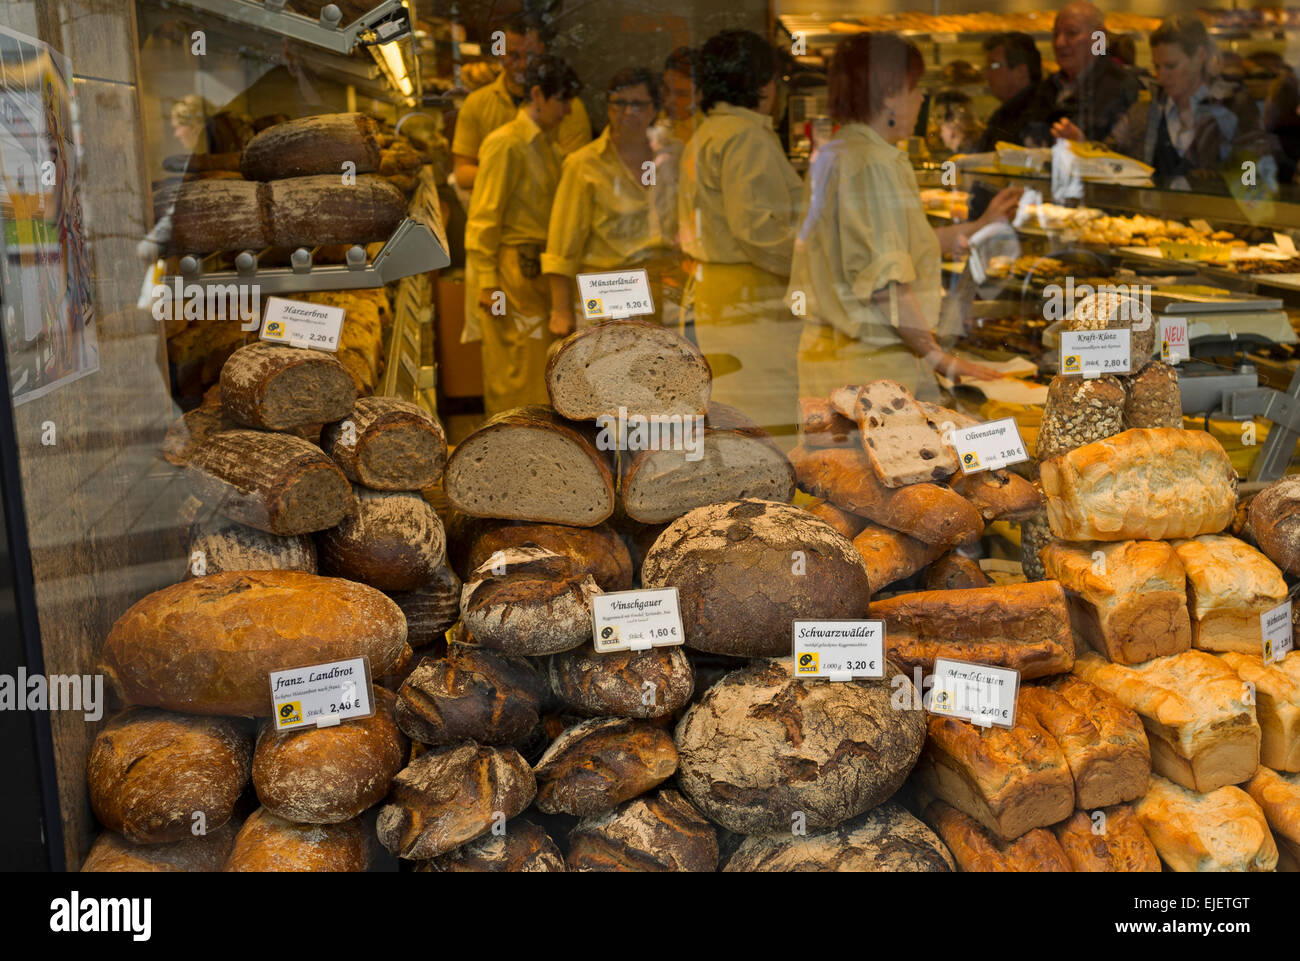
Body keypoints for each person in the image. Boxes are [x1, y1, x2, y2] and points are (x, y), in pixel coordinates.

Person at [788, 33, 1022, 402]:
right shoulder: (874, 164)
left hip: (833, 358)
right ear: (889, 94)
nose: (922, 99)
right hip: (869, 367)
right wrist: (937, 356)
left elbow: (901, 246)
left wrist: (982, 224)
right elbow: (887, 284)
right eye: (915, 88)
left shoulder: (839, 152)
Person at [679, 29, 803, 445]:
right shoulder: (747, 136)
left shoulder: (709, 132)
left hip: (719, 289)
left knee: (734, 407)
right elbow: (759, 231)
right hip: (750, 292)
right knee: (763, 413)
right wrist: (815, 264)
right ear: (763, 83)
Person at [465, 56, 581, 416]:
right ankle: (505, 457)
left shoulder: (548, 145)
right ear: (537, 95)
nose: (566, 112)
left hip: (538, 274)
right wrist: (487, 283)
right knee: (513, 376)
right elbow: (483, 218)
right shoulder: (506, 144)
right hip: (511, 275)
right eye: (562, 101)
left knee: (540, 375)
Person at [543, 68, 683, 336]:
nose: (628, 112)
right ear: (608, 108)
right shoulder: (584, 164)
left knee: (664, 372)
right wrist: (559, 310)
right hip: (609, 286)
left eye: (638, 105)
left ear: (655, 108)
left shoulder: (675, 154)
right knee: (612, 371)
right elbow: (561, 247)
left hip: (667, 285)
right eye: (619, 104)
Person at [1058, 17, 1272, 188]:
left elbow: (1252, 182)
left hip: (1218, 233)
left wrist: (1224, 179)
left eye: (1170, 66)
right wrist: (1085, 147)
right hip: (1156, 230)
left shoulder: (1235, 108)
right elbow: (1113, 157)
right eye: (1156, 67)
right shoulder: (1145, 111)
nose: (1161, 77)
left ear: (1199, 56)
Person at [452, 15, 591, 190]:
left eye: (531, 55)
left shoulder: (567, 107)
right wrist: (513, 175)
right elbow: (462, 174)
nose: (523, 65)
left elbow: (575, 175)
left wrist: (502, 175)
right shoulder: (475, 103)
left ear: (543, 51)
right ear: (500, 52)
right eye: (513, 55)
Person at [1046, 2, 1139, 143]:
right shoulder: (1048, 85)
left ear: (1098, 37)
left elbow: (1123, 152)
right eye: (1055, 34)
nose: (1059, 43)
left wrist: (1082, 145)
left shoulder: (1120, 86)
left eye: (1071, 33)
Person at [976, 32, 1054, 151]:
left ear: (1020, 71)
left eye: (994, 66)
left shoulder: (1037, 116)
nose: (986, 74)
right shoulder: (1009, 112)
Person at [654, 47, 699, 147]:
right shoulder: (651, 121)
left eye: (681, 94)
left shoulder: (710, 131)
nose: (669, 101)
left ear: (700, 95)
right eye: (666, 90)